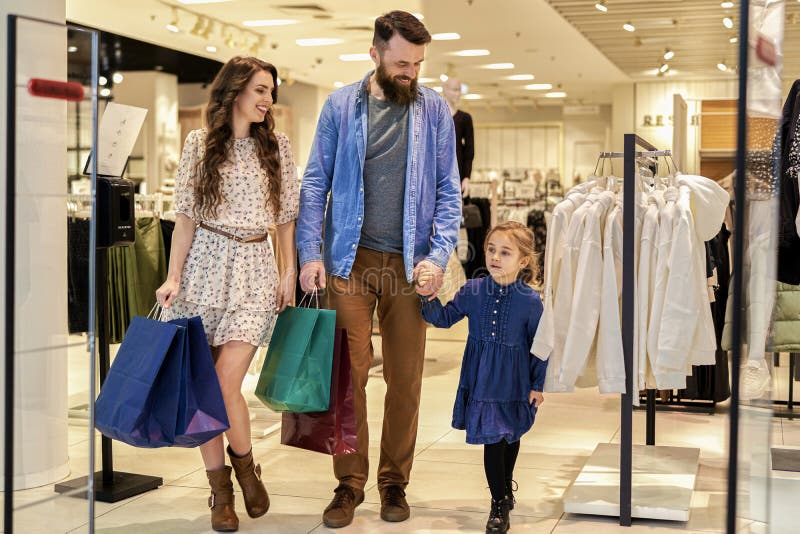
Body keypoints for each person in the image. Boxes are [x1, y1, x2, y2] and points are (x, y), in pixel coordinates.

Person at [296, 10, 462, 529]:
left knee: (406, 378)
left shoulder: (433, 110)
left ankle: (394, 481)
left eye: (417, 63)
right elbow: (314, 183)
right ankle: (348, 484)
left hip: (410, 267)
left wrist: (436, 258)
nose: (411, 71)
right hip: (350, 259)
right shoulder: (341, 106)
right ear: (375, 54)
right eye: (401, 62)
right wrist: (309, 254)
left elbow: (448, 192)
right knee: (348, 378)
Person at [155, 56, 299, 532]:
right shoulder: (199, 144)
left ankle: (245, 466)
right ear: (235, 90)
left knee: (224, 382)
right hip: (203, 270)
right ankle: (221, 491)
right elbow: (186, 219)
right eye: (260, 90)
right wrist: (173, 277)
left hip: (255, 270)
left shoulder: (277, 146)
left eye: (271, 92)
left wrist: (288, 270)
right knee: (203, 386)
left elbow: (285, 218)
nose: (267, 100)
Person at [418, 221, 548, 534]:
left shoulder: (531, 302)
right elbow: (445, 318)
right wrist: (426, 297)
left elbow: (540, 347)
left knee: (511, 435)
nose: (494, 256)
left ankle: (505, 489)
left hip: (515, 380)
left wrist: (537, 385)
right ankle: (499, 503)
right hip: (482, 379)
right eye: (491, 249)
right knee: (493, 437)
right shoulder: (473, 291)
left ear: (523, 261)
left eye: (505, 252)